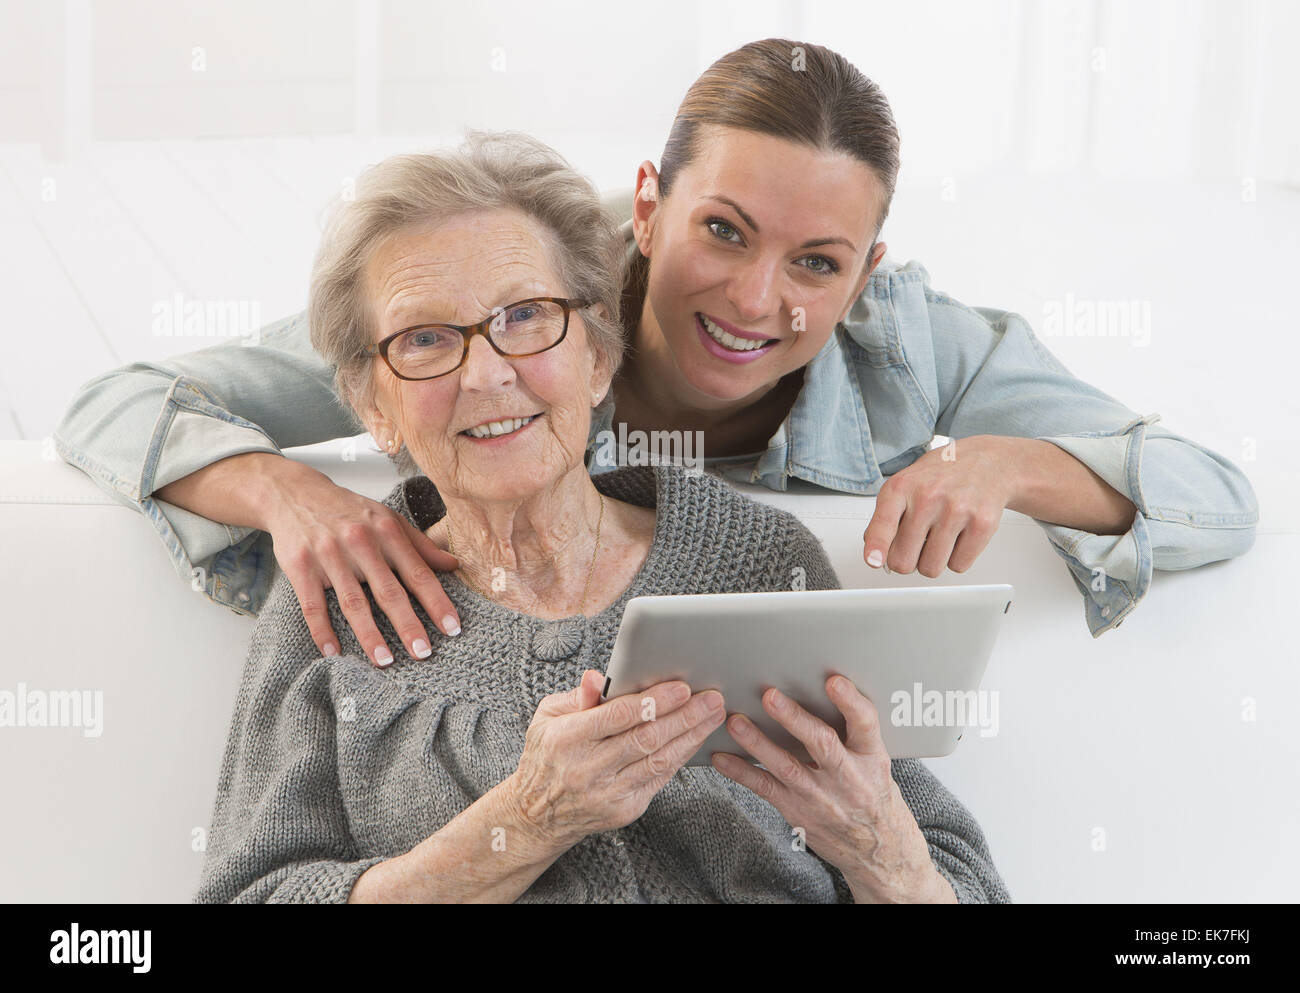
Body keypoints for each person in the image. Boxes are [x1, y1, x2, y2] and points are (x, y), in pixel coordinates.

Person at [55, 39, 1258, 670]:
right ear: (646, 206)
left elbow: (1216, 492)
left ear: (869, 265)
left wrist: (1004, 465)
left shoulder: (915, 343)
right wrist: (286, 489)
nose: (754, 299)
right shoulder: (510, 318)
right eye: (721, 233)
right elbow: (121, 401)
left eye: (816, 263)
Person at [194, 134, 1008, 903]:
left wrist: (879, 848)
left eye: (525, 317)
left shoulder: (757, 560)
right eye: (427, 339)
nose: (486, 373)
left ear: (597, 356)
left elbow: (963, 881)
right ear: (376, 404)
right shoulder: (337, 609)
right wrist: (526, 819)